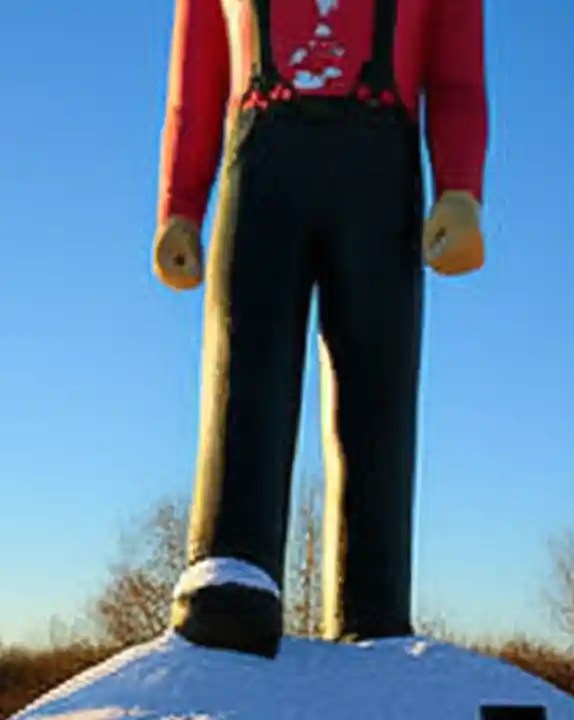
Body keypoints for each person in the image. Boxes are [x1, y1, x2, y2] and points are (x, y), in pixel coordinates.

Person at [153, 0, 489, 658]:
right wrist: (180, 207)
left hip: (380, 166)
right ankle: (233, 572)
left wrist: (460, 190)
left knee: (378, 386)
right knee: (246, 367)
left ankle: (374, 603)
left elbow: (457, 78)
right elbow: (194, 86)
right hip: (261, 160)